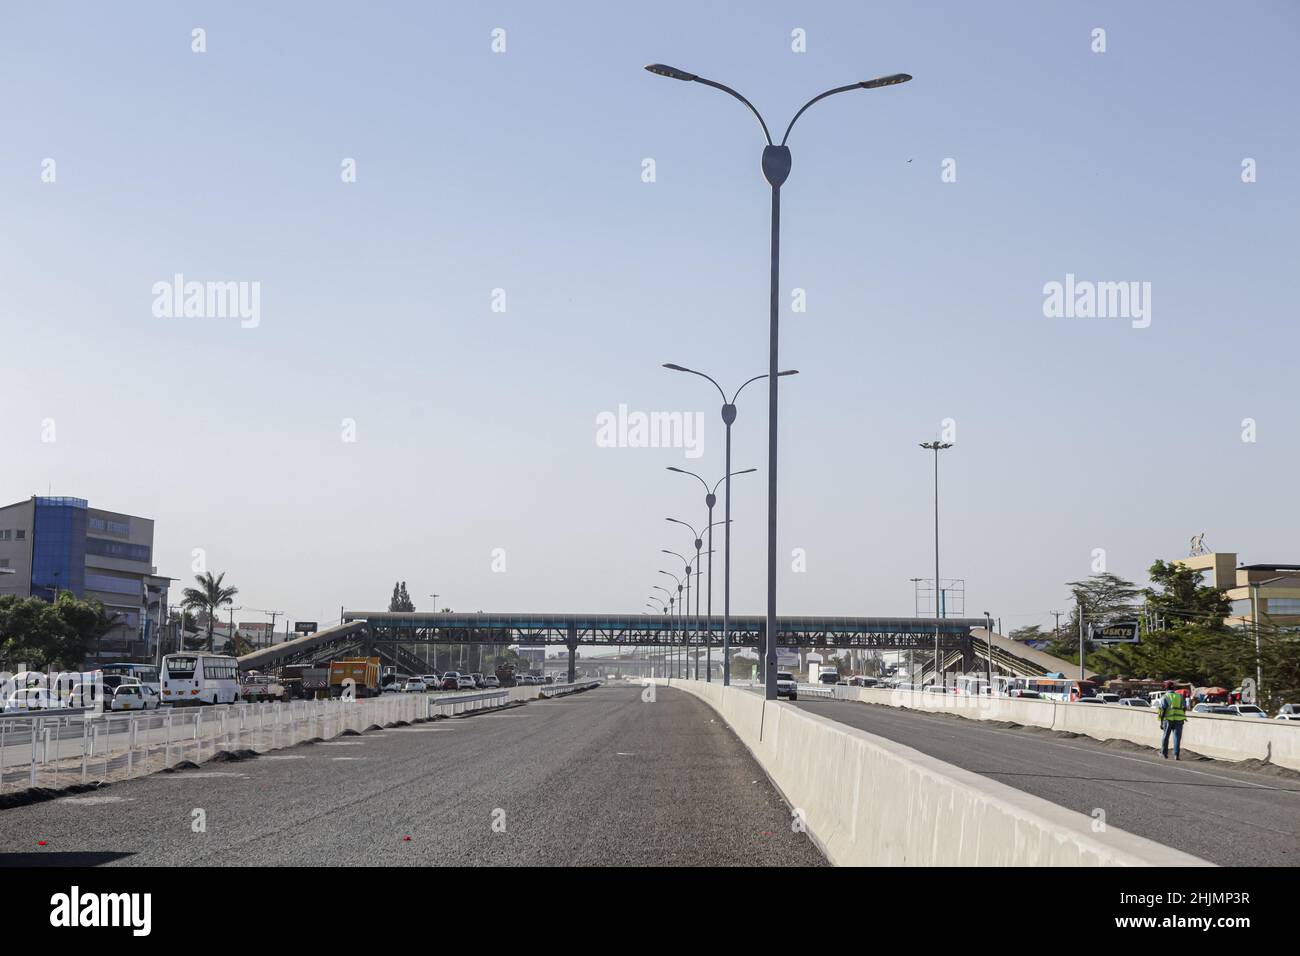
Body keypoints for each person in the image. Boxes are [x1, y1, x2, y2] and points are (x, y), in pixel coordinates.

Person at [1156, 680, 1187, 760]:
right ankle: (1176, 755)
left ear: (1166, 687)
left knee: (1165, 736)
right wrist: (1182, 717)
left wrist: (1161, 721)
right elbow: (1184, 707)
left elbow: (1162, 710)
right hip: (1179, 719)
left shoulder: (1165, 696)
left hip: (1168, 719)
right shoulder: (1180, 696)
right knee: (1177, 737)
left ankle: (1163, 753)